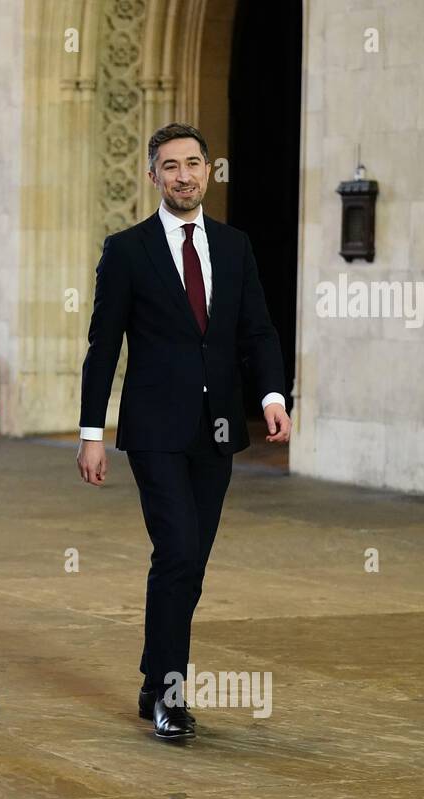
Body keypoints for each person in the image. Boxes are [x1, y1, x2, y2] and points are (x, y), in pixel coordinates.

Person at [76, 123, 291, 742]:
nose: (184, 175)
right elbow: (103, 345)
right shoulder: (127, 249)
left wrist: (272, 395)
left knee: (190, 559)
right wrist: (93, 431)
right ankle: (171, 693)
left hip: (217, 427)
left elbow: (257, 330)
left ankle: (151, 679)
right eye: (170, 166)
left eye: (193, 163)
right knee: (176, 550)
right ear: (154, 177)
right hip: (154, 429)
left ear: (208, 171)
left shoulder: (234, 246)